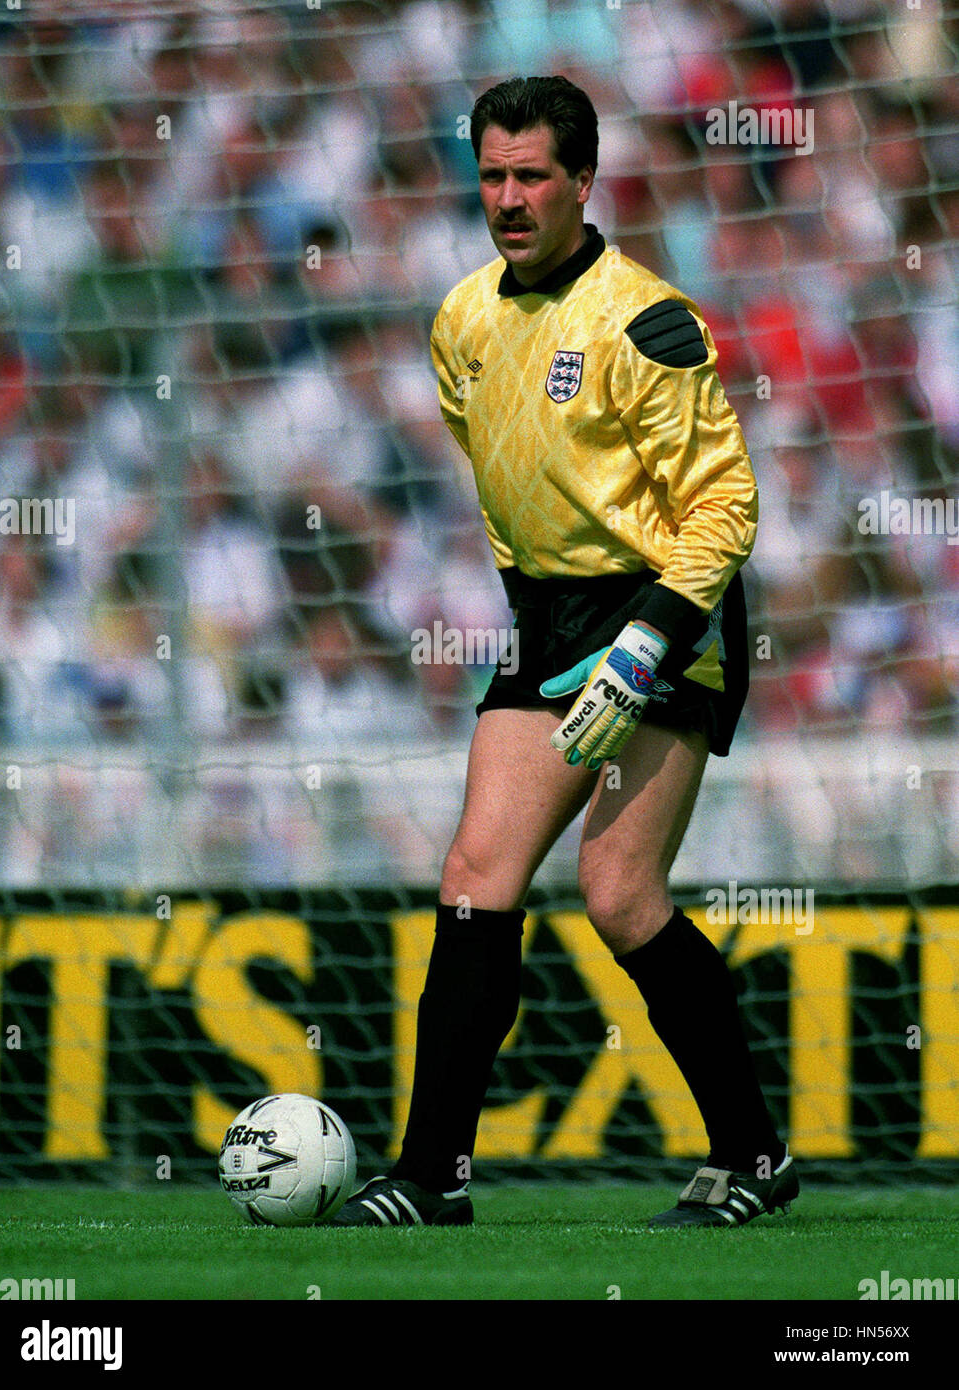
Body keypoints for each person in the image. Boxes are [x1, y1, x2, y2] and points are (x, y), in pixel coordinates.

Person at [331, 75, 798, 1229]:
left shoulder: (649, 322)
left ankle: (753, 1155)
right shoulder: (460, 320)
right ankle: (433, 1173)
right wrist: (542, 618)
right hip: (547, 621)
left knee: (619, 894)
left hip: (660, 620)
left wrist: (642, 649)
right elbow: (503, 486)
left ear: (583, 180)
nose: (508, 197)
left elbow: (725, 509)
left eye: (531, 174)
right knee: (473, 883)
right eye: (490, 174)